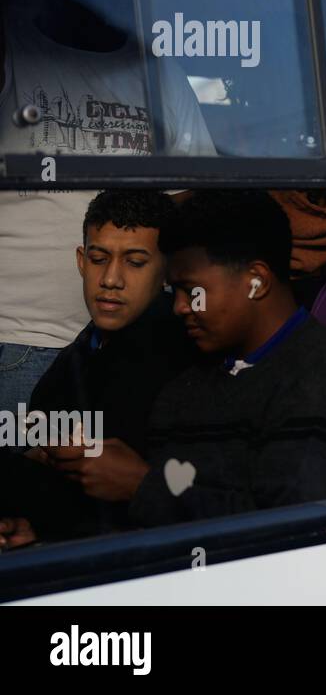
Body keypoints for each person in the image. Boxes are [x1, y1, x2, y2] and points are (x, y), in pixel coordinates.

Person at [0, 0, 214, 415]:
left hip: (123, 351)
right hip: (17, 344)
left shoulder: (159, 75)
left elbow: (187, 203)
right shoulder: (15, 52)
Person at [96, 190, 326, 527]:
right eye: (173, 291)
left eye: (193, 291)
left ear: (255, 281)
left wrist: (141, 487)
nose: (179, 307)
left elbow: (289, 527)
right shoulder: (192, 373)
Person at [0, 190, 197, 549]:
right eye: (98, 258)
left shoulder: (177, 359)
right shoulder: (87, 346)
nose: (110, 279)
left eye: (135, 262)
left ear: (168, 269)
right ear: (80, 260)